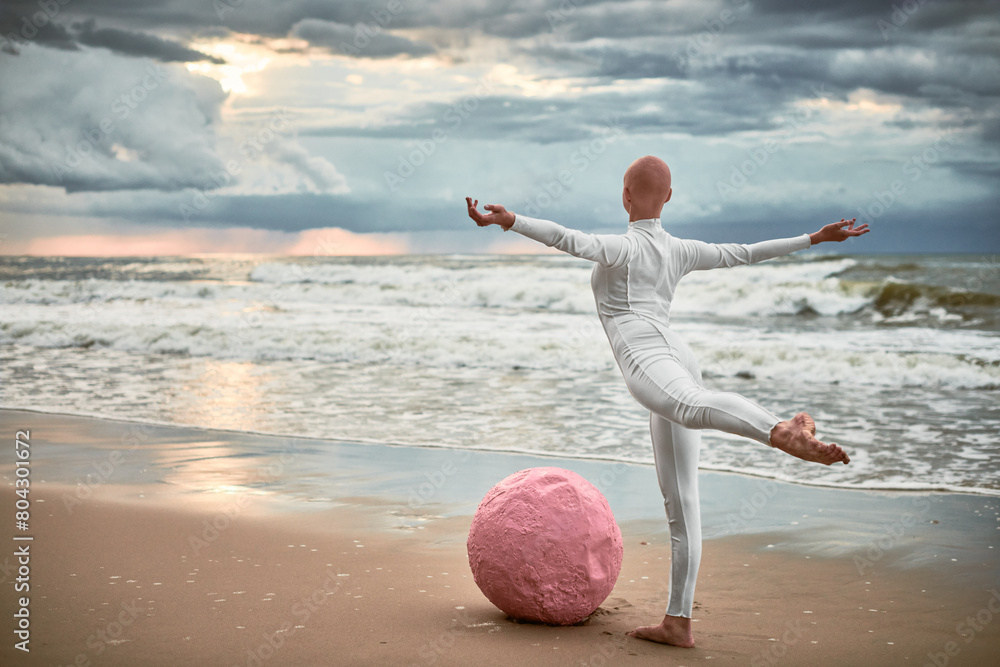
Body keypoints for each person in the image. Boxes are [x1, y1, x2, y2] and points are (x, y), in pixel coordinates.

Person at [465, 155, 869, 648]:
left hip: (647, 353)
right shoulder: (678, 249)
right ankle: (678, 622)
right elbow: (744, 252)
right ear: (670, 197)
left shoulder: (621, 247)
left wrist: (511, 221)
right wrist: (814, 238)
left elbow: (567, 238)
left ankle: (778, 430)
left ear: (625, 196)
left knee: (689, 406)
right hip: (676, 352)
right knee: (682, 500)